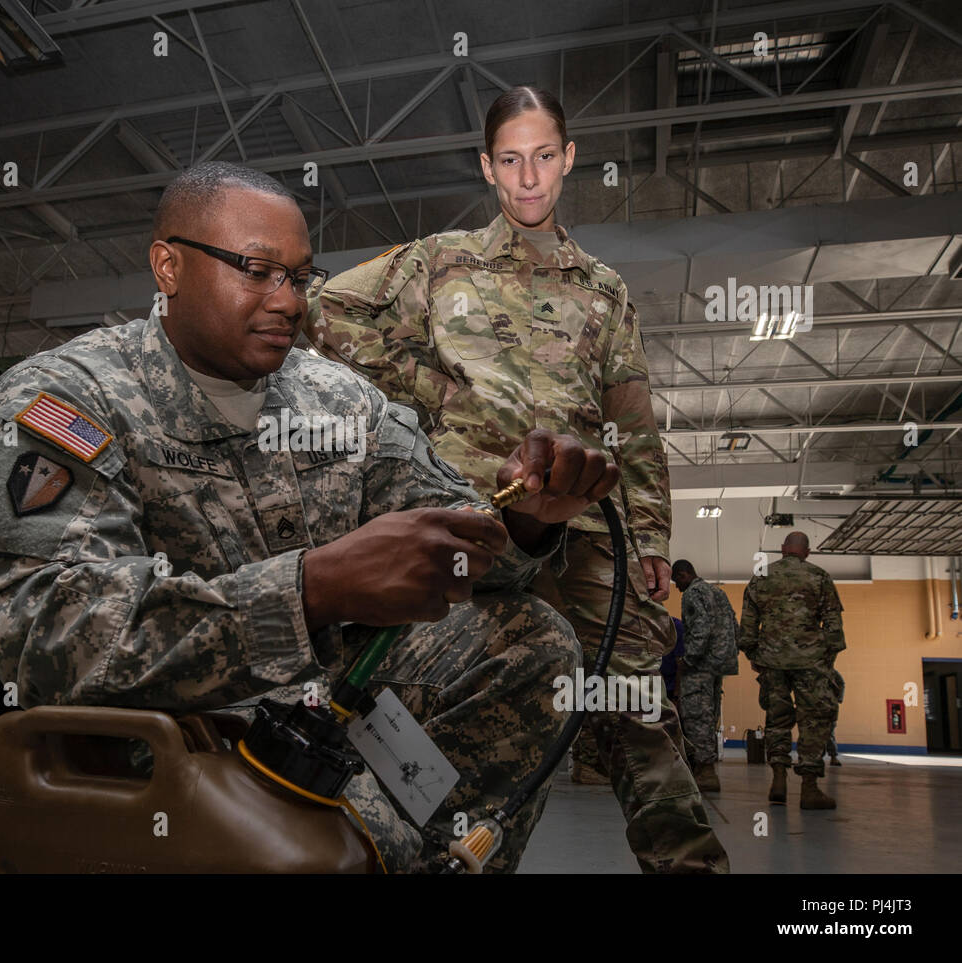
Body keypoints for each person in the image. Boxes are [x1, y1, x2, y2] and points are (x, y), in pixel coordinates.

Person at [0, 161, 623, 874]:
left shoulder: (342, 403)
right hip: (172, 736)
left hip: (326, 719)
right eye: (257, 270)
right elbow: (38, 627)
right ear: (168, 266)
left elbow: (456, 538)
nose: (289, 302)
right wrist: (311, 591)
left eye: (301, 277)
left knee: (534, 644)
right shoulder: (69, 395)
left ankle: (424, 858)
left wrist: (525, 519)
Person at [303, 85, 727, 873]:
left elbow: (633, 424)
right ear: (487, 168)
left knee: (634, 708)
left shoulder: (604, 289)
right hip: (479, 513)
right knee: (446, 690)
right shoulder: (439, 261)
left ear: (567, 161)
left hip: (589, 528)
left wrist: (655, 536)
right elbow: (323, 311)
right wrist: (438, 393)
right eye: (509, 160)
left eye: (542, 157)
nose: (528, 177)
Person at [740, 532, 845, 809]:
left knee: (776, 719)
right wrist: (826, 660)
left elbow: (748, 625)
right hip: (811, 661)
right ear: (806, 552)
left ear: (783, 550)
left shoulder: (761, 576)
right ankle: (809, 788)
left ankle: (778, 778)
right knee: (814, 719)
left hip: (772, 661)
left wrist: (755, 654)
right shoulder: (819, 576)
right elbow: (833, 626)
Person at [671, 560, 741, 793]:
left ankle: (705, 771)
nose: (676, 586)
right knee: (709, 715)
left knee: (696, 715)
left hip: (699, 666)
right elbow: (734, 626)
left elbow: (701, 628)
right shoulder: (718, 593)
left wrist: (688, 659)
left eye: (676, 580)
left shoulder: (693, 593)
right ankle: (704, 767)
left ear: (684, 574)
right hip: (718, 665)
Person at [825, 666, 845, 766]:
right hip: (812, 705)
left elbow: (841, 683)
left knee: (829, 732)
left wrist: (838, 699)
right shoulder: (809, 669)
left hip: (829, 705)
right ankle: (810, 759)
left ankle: (833, 756)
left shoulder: (831, 671)